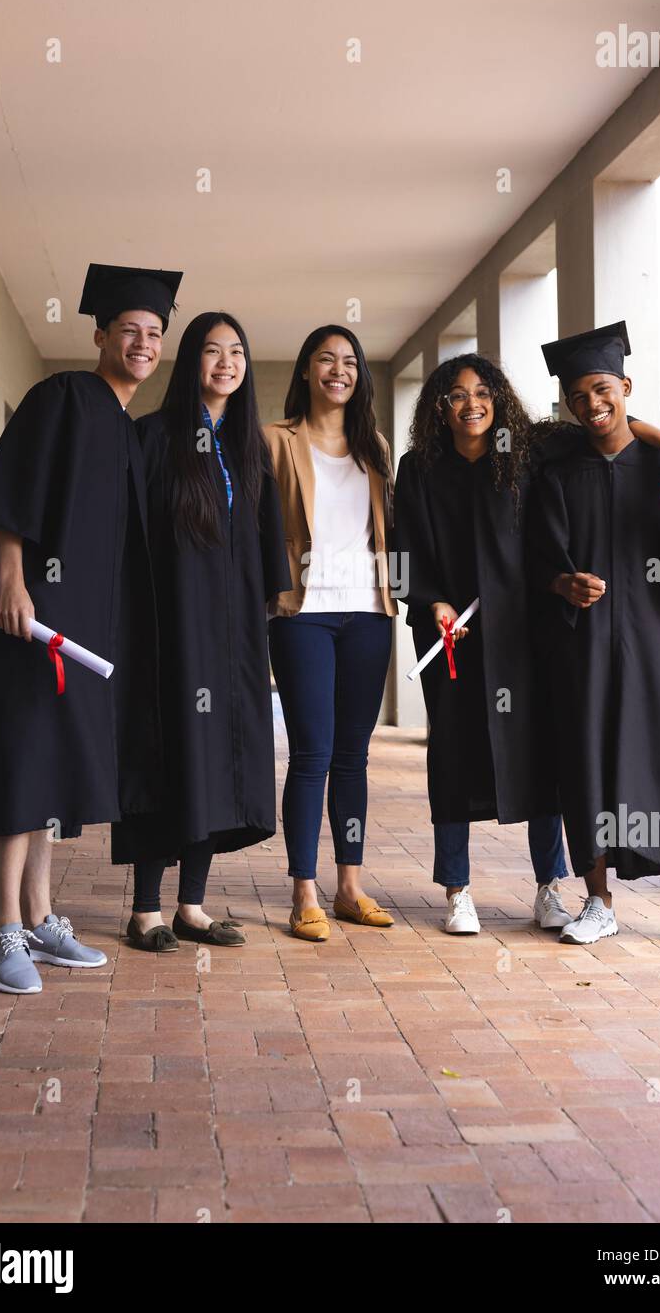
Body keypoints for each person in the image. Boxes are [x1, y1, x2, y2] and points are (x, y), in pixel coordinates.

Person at [393, 353, 660, 934]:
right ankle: (457, 890)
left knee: (541, 755)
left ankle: (550, 886)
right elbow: (402, 551)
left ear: (498, 399)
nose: (471, 404)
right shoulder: (417, 467)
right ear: (439, 408)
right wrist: (429, 601)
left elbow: (604, 424)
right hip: (455, 635)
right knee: (452, 756)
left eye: (482, 393)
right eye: (455, 395)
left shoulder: (528, 452)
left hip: (525, 633)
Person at [0, 262, 181, 992]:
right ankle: (1, 929)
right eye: (130, 331)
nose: (143, 344)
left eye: (154, 333)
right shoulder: (63, 396)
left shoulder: (125, 430)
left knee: (55, 767)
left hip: (78, 628)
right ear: (100, 335)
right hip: (22, 615)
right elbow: (13, 485)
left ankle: (42, 916)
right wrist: (13, 579)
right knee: (22, 763)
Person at [530, 322, 660, 950]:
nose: (592, 405)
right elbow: (536, 560)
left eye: (602, 389)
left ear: (625, 386)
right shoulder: (557, 473)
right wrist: (562, 585)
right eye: (577, 396)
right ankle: (597, 901)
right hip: (589, 641)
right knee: (589, 756)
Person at [111, 313, 292, 952]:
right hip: (172, 628)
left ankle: (191, 906)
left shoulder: (248, 445)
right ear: (190, 362)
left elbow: (269, 538)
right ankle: (145, 911)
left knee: (218, 759)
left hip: (235, 631)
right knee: (172, 754)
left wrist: (269, 603)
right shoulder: (153, 437)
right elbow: (127, 538)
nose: (226, 363)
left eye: (236, 352)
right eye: (212, 352)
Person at [265, 326, 396, 941]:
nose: (338, 371)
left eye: (349, 362)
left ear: (359, 375)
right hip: (303, 613)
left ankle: (349, 885)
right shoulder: (275, 440)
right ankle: (303, 892)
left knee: (353, 756)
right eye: (326, 359)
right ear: (307, 370)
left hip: (369, 613)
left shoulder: (375, 447)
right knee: (312, 751)